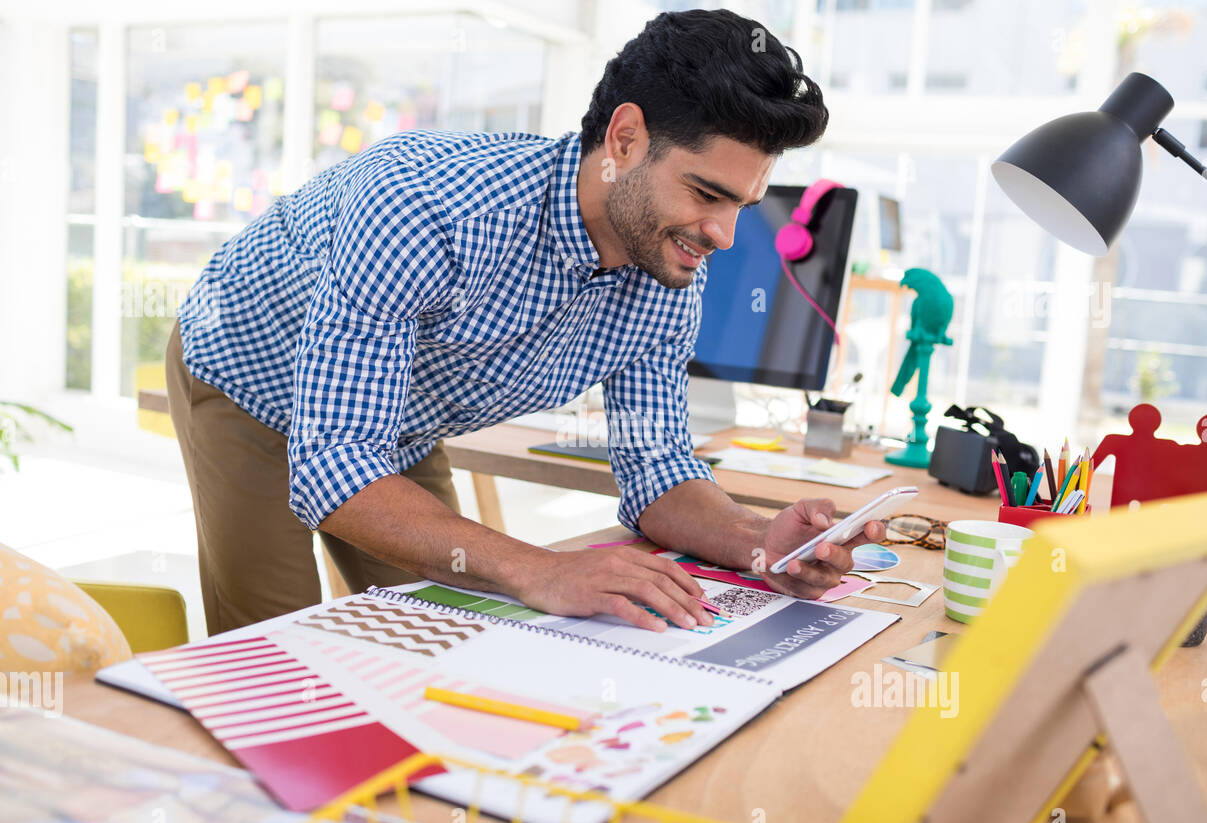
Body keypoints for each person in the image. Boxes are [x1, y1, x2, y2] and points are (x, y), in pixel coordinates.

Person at [168, 8, 884, 636]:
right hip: (251, 371)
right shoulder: (427, 210)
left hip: (403, 409)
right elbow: (336, 467)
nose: (724, 235)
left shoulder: (671, 268)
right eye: (706, 193)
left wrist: (759, 540)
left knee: (445, 634)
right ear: (626, 139)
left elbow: (657, 464)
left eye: (741, 206)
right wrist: (544, 569)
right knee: (280, 648)